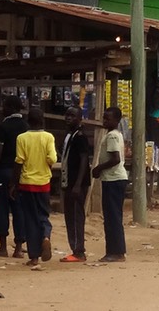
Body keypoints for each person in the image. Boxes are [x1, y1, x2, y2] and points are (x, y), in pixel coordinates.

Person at [12, 107, 57, 266]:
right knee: (43, 215)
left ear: (28, 121)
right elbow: (52, 158)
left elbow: (19, 162)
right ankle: (46, 236)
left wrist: (14, 184)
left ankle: (34, 257)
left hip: (26, 184)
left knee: (30, 219)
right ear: (42, 120)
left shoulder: (22, 138)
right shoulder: (48, 137)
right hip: (43, 183)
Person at [0, 95, 28, 258]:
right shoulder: (26, 126)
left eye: (4, 105)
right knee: (19, 209)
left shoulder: (3, 127)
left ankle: (3, 247)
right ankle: (18, 248)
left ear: (11, 108)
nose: (2, 108)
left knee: (1, 208)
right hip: (19, 173)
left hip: (3, 171)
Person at [91, 106, 128, 260]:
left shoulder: (112, 136)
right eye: (104, 118)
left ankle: (116, 252)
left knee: (112, 217)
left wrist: (98, 168)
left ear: (117, 120)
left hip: (114, 179)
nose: (105, 121)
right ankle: (115, 251)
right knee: (113, 216)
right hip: (114, 179)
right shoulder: (115, 134)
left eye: (108, 118)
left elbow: (115, 159)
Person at [60, 106, 90, 262]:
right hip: (68, 181)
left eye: (72, 116)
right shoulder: (69, 135)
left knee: (76, 216)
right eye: (67, 115)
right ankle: (74, 248)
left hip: (77, 183)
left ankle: (79, 250)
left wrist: (78, 184)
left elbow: (84, 159)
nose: (68, 118)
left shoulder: (80, 137)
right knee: (69, 215)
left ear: (80, 118)